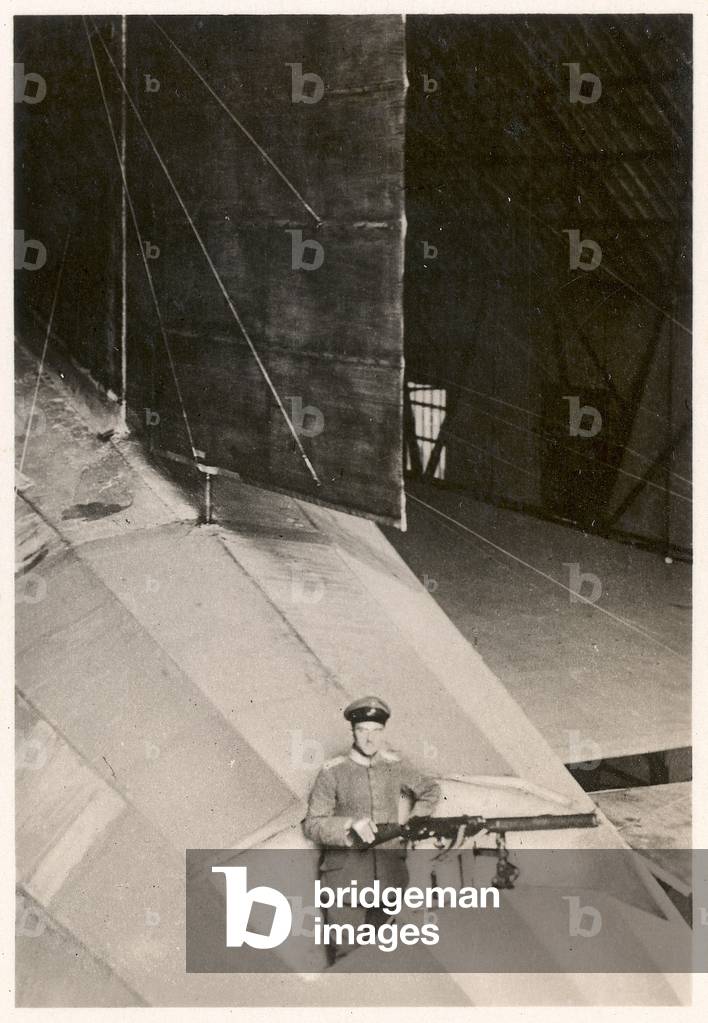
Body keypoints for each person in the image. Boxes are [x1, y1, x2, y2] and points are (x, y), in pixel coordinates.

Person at [303, 695, 441, 962]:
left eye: (376, 731)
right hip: (346, 884)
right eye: (363, 730)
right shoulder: (333, 772)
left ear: (383, 732)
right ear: (353, 731)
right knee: (348, 959)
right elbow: (313, 824)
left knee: (382, 958)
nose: (370, 739)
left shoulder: (393, 766)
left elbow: (430, 790)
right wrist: (348, 825)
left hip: (390, 878)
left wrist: (415, 820)